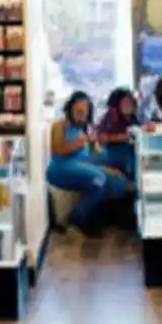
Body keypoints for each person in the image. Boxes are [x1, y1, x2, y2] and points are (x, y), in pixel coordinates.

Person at [47, 90, 128, 236]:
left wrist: (107, 167)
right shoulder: (60, 126)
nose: (82, 115)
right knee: (99, 179)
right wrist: (81, 142)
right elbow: (57, 150)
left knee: (119, 181)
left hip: (81, 166)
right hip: (60, 167)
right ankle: (78, 218)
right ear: (70, 109)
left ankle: (102, 219)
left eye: (85, 112)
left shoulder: (86, 129)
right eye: (78, 111)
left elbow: (92, 156)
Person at [96, 87, 139, 180]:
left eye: (130, 102)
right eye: (125, 102)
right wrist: (123, 137)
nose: (129, 105)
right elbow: (101, 138)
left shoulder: (133, 118)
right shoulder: (111, 116)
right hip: (114, 154)